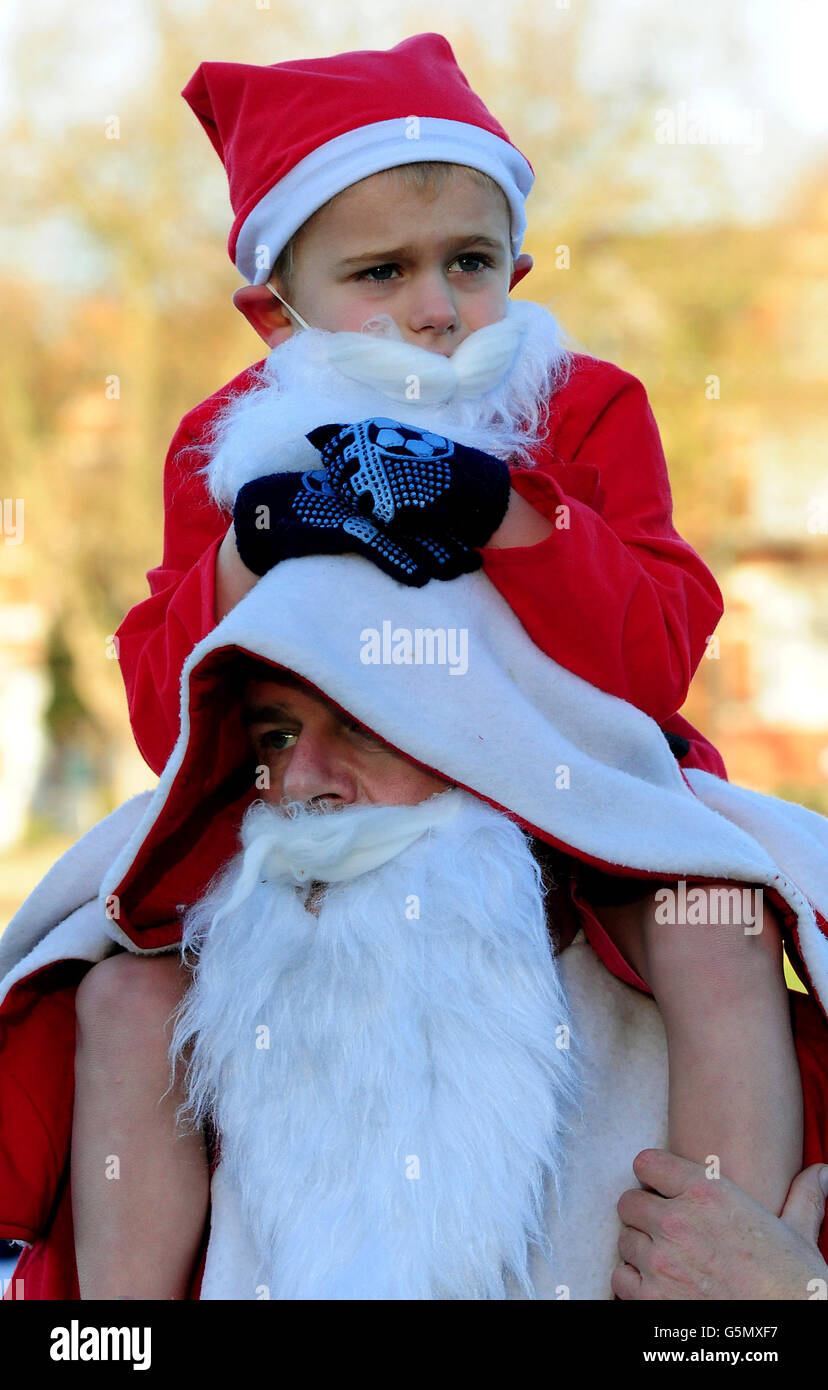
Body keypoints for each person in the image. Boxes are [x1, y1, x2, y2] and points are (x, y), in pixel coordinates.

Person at [85, 32, 800, 1288]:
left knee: (717, 925)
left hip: (572, 810)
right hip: (319, 819)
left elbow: (656, 654)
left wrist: (499, 509)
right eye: (383, 270)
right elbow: (165, 711)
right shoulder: (224, 445)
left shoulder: (580, 404)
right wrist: (258, 545)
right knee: (118, 1003)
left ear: (515, 266)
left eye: (471, 261)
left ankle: (715, 1279)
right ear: (277, 310)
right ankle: (117, 1323)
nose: (438, 306)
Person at [2, 556, 827, 1296]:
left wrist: (767, 1312)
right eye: (275, 736)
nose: (302, 783)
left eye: (361, 721)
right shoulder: (162, 1034)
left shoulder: (719, 1013)